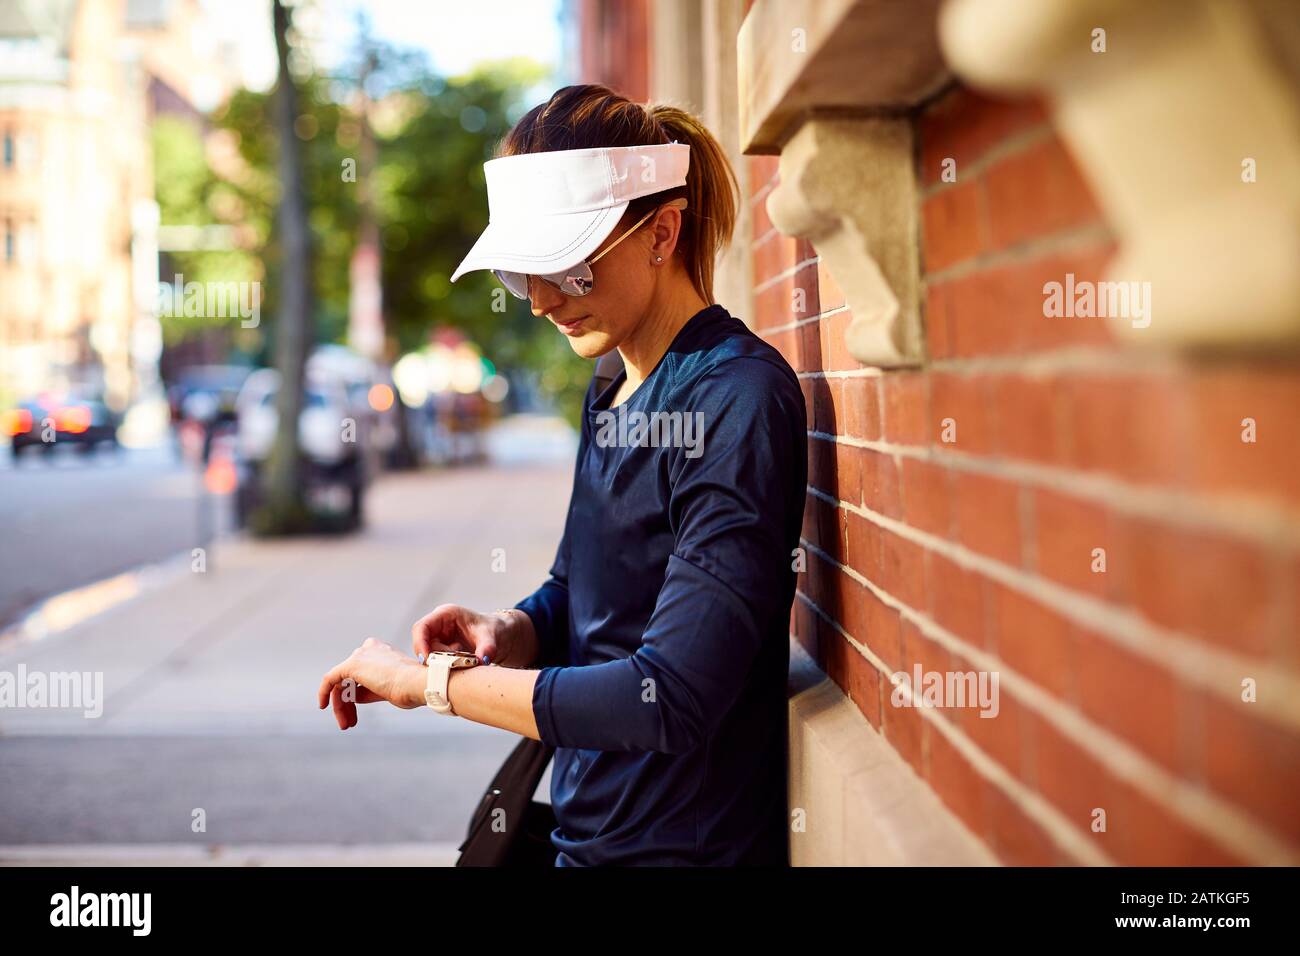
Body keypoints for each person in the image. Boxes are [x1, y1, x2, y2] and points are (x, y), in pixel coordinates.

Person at [317, 84, 808, 866]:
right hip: (584, 837)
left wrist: (427, 687)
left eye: (568, 267)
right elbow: (585, 586)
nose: (542, 301)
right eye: (522, 274)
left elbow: (673, 695)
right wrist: (515, 629)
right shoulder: (611, 384)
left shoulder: (735, 400)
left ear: (663, 233)